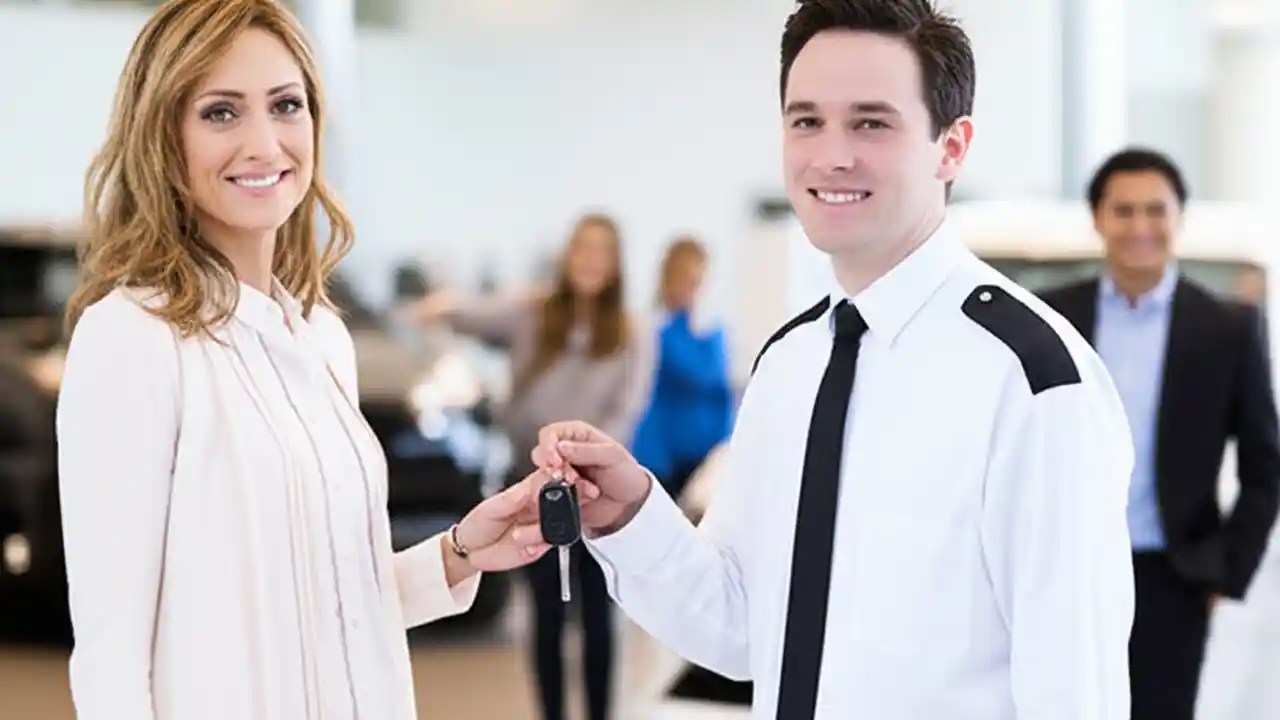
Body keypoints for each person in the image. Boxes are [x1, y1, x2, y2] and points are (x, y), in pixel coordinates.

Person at [509, 1, 1137, 718]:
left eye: (871, 123)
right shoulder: (791, 363)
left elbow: (1074, 688)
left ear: (952, 146)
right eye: (806, 121)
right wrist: (630, 516)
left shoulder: (1031, 380)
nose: (831, 155)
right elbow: (741, 629)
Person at [54, 2, 557, 718]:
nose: (265, 143)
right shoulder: (131, 338)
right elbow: (110, 654)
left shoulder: (321, 337)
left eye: (286, 105)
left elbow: (329, 602)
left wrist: (459, 552)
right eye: (221, 113)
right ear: (163, 135)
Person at [1040, 147, 1280, 720]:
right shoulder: (1050, 318)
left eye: (1155, 210)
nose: (1140, 227)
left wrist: (1226, 569)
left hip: (1173, 575)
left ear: (1178, 218)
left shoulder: (1227, 327)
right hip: (1064, 566)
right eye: (1123, 211)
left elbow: (1264, 464)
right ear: (1098, 219)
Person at [400, 213, 653, 720]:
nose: (590, 261)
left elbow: (627, 410)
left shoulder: (631, 330)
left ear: (616, 265)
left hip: (595, 493)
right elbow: (470, 314)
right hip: (532, 486)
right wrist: (430, 308)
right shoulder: (533, 312)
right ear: (567, 257)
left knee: (598, 616)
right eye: (582, 249)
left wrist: (578, 462)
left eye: (601, 252)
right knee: (547, 615)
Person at [631, 236, 735, 498]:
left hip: (705, 455)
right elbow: (698, 374)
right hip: (661, 458)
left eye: (696, 280)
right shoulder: (655, 329)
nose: (690, 288)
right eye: (684, 278)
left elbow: (721, 388)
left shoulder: (712, 329)